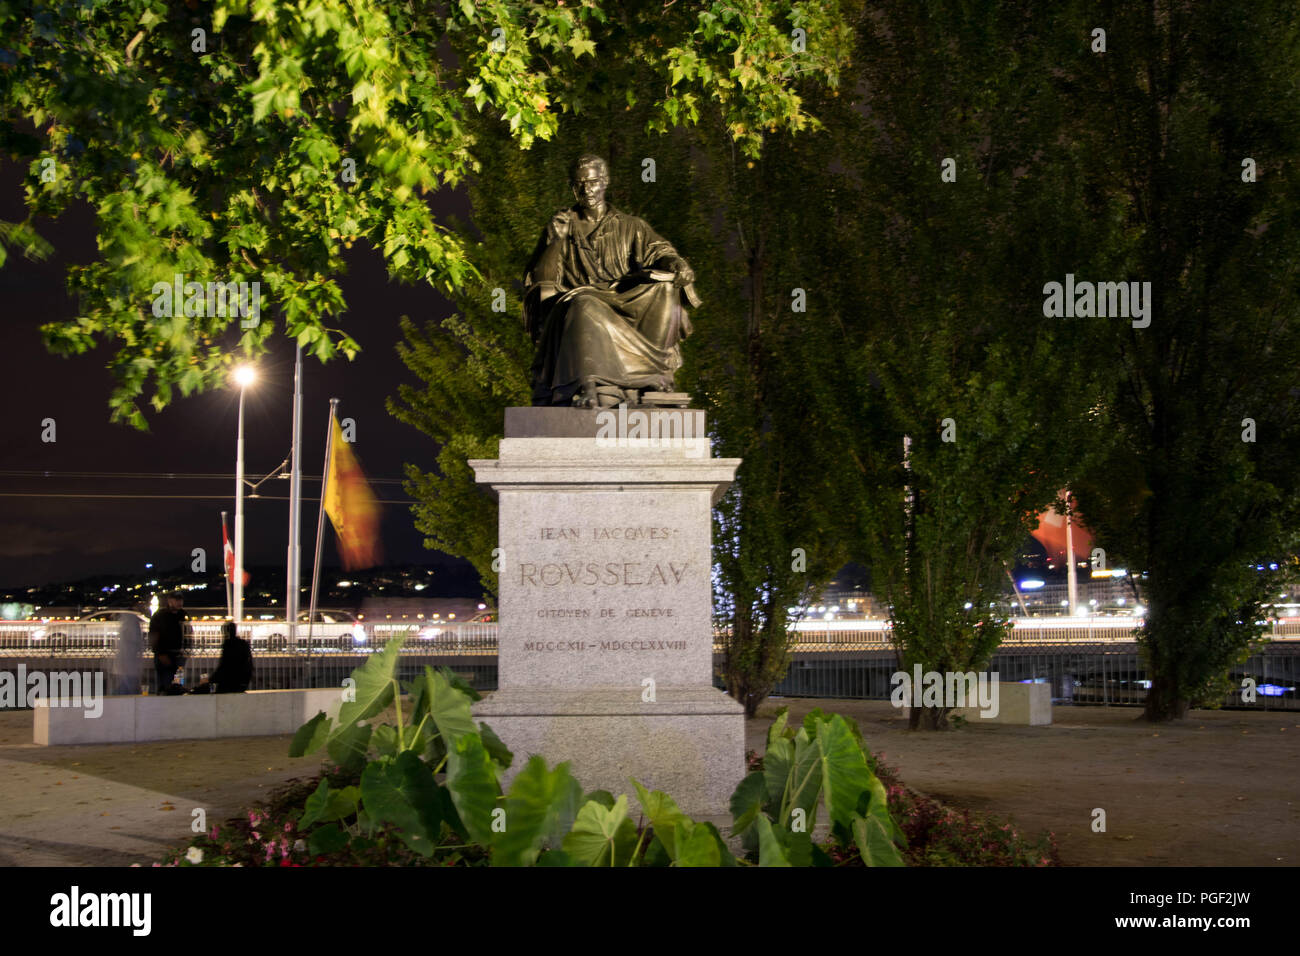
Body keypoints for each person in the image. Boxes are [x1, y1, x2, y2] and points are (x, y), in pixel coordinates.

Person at [524, 154, 701, 408]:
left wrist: (676, 264)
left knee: (665, 288)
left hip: (622, 298)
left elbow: (660, 251)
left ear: (605, 182)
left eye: (593, 181)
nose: (587, 189)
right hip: (580, 300)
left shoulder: (630, 226)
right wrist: (556, 242)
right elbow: (542, 280)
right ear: (573, 188)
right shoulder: (562, 225)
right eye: (580, 184)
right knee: (585, 304)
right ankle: (589, 385)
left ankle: (655, 375)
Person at [189, 621, 253, 694]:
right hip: (242, 684)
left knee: (199, 691)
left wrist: (210, 681)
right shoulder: (244, 644)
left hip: (229, 684)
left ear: (226, 632)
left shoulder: (228, 645)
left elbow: (224, 668)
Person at [148, 592, 188, 695]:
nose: (179, 602)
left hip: (179, 655)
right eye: (176, 600)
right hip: (164, 655)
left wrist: (186, 650)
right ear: (169, 601)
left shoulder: (183, 614)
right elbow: (153, 635)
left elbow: (188, 633)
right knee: (166, 684)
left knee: (178, 683)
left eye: (181, 600)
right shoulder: (160, 616)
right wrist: (160, 653)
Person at [109, 610, 145, 695]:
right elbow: (135, 644)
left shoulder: (127, 623)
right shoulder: (132, 622)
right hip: (129, 665)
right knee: (128, 690)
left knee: (124, 691)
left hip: (126, 664)